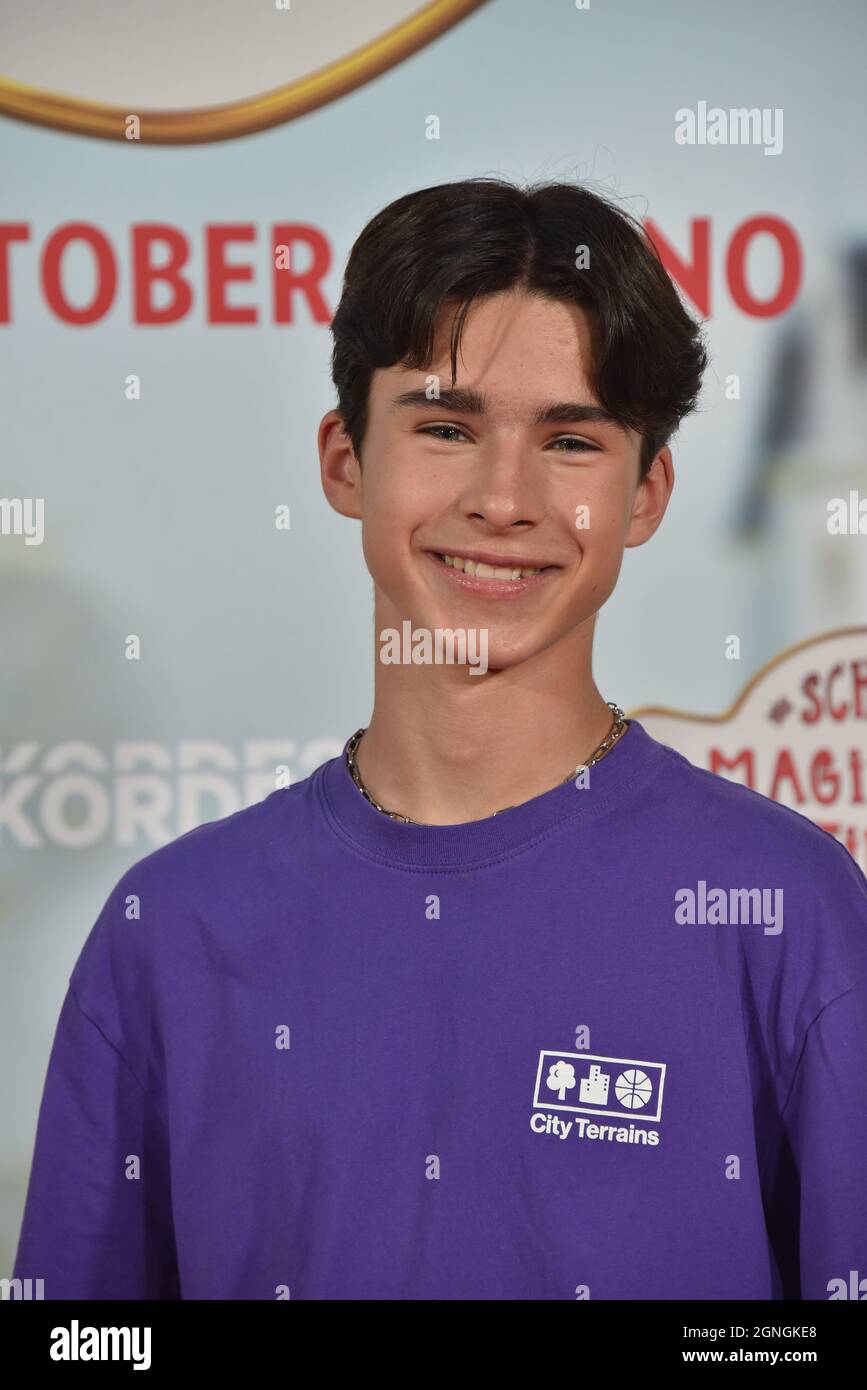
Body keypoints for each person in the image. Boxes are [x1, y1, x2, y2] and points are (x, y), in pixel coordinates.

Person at [14, 179, 867, 1300]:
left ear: (646, 492)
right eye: (448, 427)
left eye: (570, 440)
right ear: (344, 460)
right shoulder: (170, 930)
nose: (503, 498)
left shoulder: (786, 908)